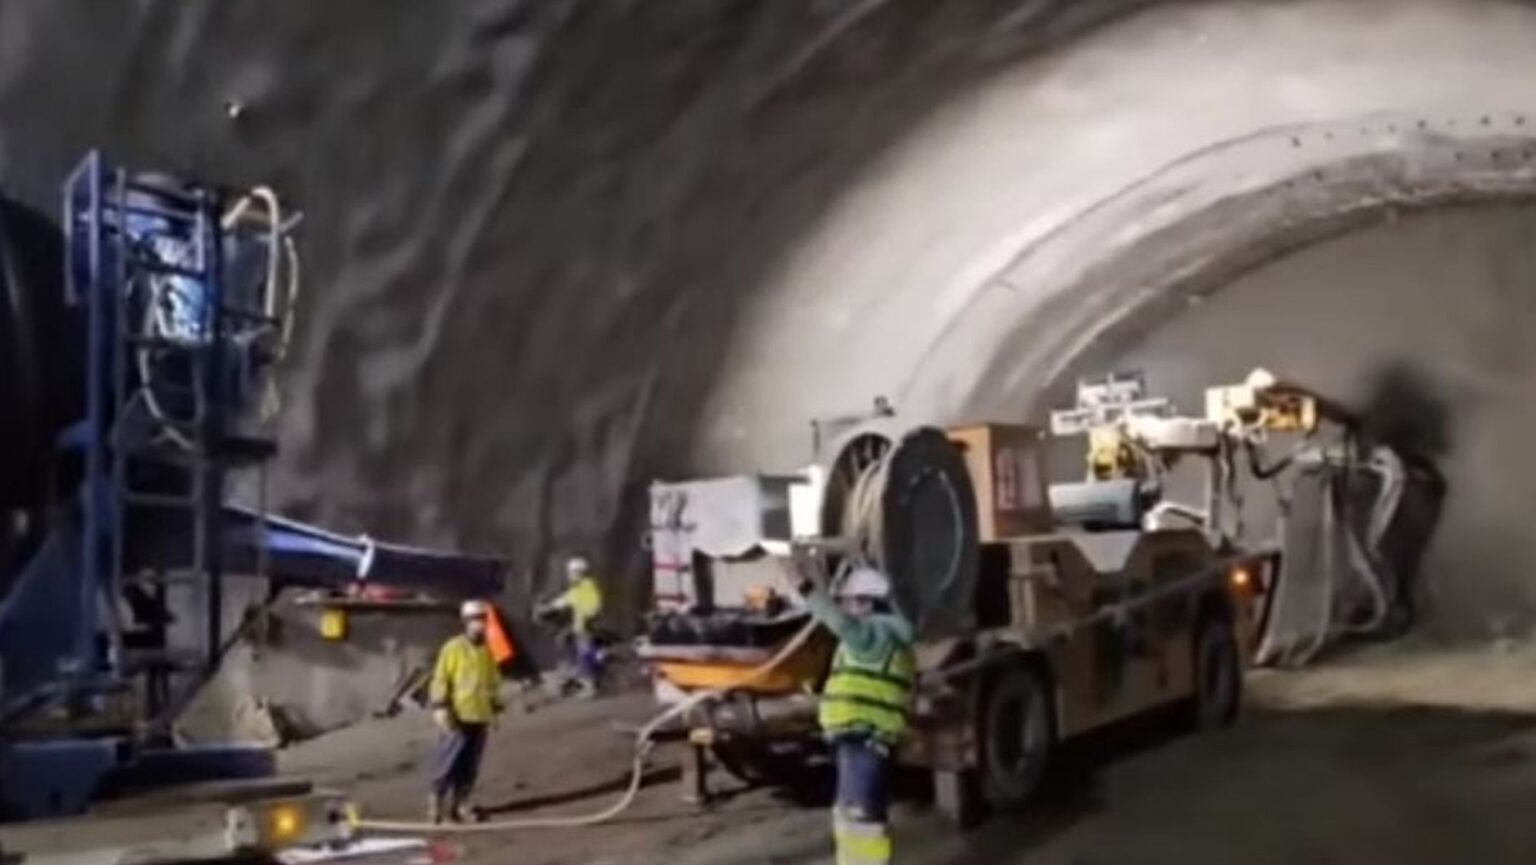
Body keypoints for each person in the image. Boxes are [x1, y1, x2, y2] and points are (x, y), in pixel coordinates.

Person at [790, 560, 916, 865]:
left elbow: (840, 623)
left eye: (849, 602)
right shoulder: (889, 639)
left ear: (867, 603)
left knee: (860, 820)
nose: (846, 609)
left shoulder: (874, 636)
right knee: (860, 817)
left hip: (863, 738)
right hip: (866, 740)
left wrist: (804, 586)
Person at [427, 599, 505, 824]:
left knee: (469, 766)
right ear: (465, 622)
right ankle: (436, 804)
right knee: (447, 761)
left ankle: (460, 805)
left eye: (482, 619)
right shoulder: (454, 648)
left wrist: (496, 709)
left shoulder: (488, 651)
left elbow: (493, 682)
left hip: (479, 716)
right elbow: (441, 677)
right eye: (474, 619)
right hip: (457, 715)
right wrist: (440, 706)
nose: (479, 624)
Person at [537, 555, 605, 698]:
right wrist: (548, 607)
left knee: (585, 654)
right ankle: (578, 677)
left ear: (579, 573)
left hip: (586, 628)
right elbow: (564, 600)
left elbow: (571, 603)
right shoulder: (581, 588)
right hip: (581, 628)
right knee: (569, 645)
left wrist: (546, 609)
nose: (570, 576)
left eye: (572, 573)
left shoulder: (585, 587)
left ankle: (589, 687)